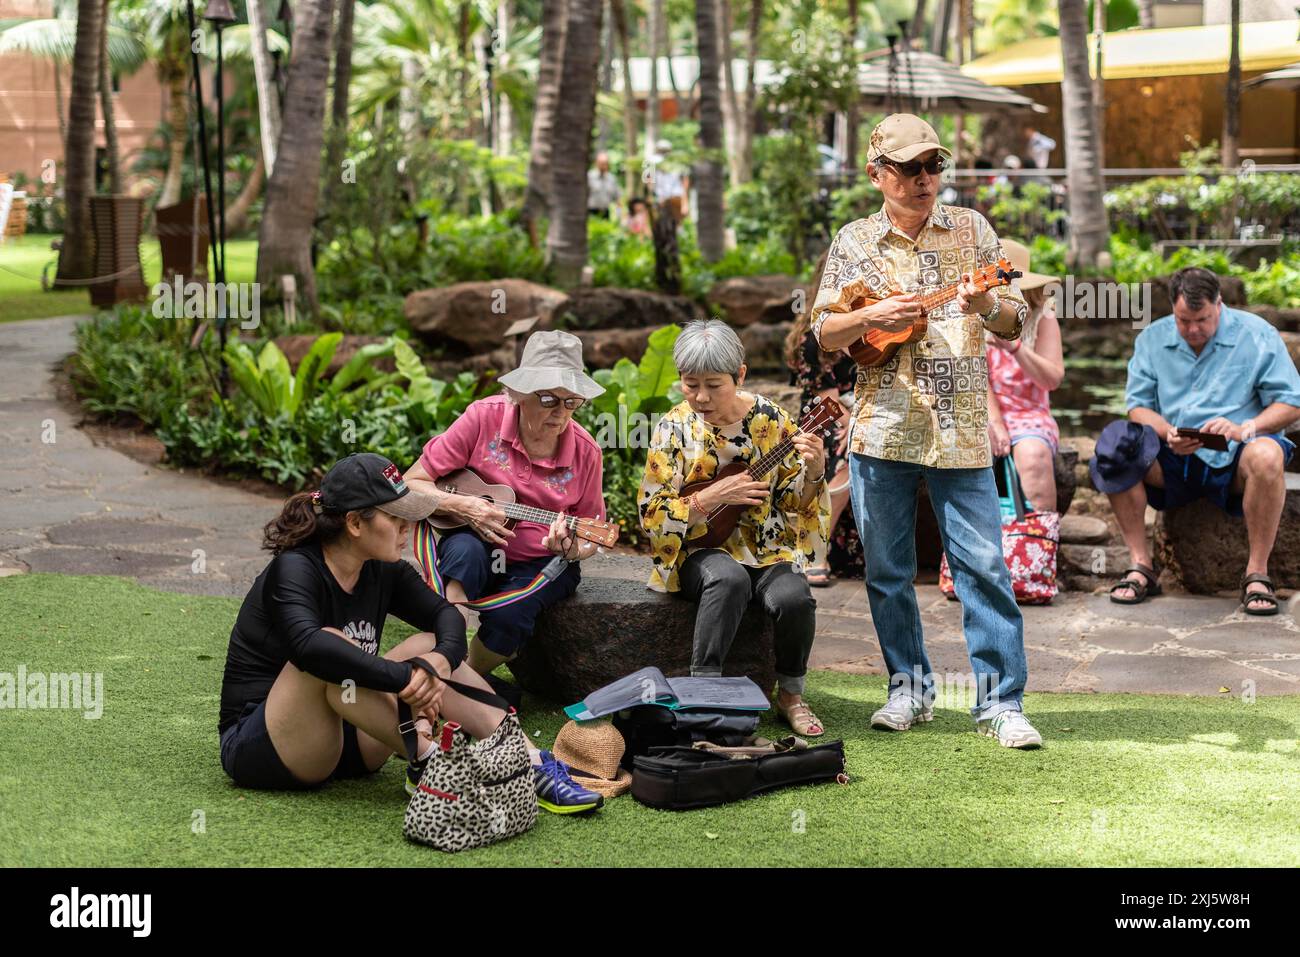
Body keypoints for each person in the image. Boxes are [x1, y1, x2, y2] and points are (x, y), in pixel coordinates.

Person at [812, 113, 1042, 749]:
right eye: (909, 167)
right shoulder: (854, 240)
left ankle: (1001, 703)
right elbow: (825, 332)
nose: (924, 178)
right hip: (881, 428)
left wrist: (985, 303)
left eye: (933, 165)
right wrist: (876, 316)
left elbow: (1014, 318)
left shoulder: (973, 229)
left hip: (960, 428)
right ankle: (908, 688)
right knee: (888, 570)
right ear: (876, 173)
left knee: (984, 569)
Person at [219, 452, 603, 813]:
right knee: (331, 653)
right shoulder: (294, 569)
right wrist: (405, 679)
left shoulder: (383, 570)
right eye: (396, 517)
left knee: (426, 644)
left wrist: (438, 663)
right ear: (355, 523)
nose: (407, 527)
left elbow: (445, 615)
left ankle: (528, 762)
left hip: (355, 737)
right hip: (271, 745)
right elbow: (310, 648)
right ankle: (433, 762)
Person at [638, 319, 831, 736]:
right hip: (699, 548)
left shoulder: (771, 420)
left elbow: (795, 503)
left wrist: (815, 470)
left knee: (795, 597)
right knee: (728, 579)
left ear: (739, 375)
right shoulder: (674, 427)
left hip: (765, 547)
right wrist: (710, 497)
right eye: (690, 384)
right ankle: (703, 690)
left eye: (714, 385)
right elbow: (651, 514)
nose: (701, 397)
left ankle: (791, 694)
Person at [402, 330, 607, 677]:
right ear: (520, 394)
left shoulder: (587, 452)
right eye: (548, 399)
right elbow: (411, 483)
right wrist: (465, 507)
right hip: (475, 542)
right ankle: (447, 644)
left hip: (538, 564)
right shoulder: (483, 418)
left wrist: (572, 549)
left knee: (510, 617)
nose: (561, 413)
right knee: (464, 553)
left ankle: (461, 679)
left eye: (572, 401)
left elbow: (592, 533)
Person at [1099, 267, 1300, 615]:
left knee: (1268, 455)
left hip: (1237, 457)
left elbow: (1291, 403)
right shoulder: (1151, 339)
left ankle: (1257, 574)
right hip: (1173, 457)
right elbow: (1138, 407)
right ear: (1172, 309)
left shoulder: (1257, 334)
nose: (1193, 330)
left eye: (1202, 319)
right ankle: (1141, 565)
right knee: (1115, 444)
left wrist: (1243, 428)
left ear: (1219, 304)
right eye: (1184, 320)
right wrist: (1167, 432)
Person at [785, 254, 862, 585]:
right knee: (849, 449)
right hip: (824, 416)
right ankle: (814, 545)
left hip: (860, 412)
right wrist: (856, 425)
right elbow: (827, 401)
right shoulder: (813, 335)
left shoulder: (871, 322)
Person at [986, 238, 1065, 512]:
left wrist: (1015, 348)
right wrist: (995, 422)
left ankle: (1039, 533)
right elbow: (977, 378)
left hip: (1028, 414)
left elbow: (1052, 379)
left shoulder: (1043, 317)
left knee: (1033, 455)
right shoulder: (974, 314)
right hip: (980, 412)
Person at [651, 138, 689, 223]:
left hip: (675, 197)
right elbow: (648, 182)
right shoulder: (651, 161)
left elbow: (685, 181)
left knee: (676, 223)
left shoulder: (678, 162)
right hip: (659, 198)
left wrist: (685, 202)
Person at [587, 151, 620, 219]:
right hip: (591, 211)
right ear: (596, 163)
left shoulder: (612, 178)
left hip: (605, 212)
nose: (603, 166)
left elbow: (617, 197)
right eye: (601, 163)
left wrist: (618, 214)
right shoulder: (589, 176)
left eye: (605, 163)